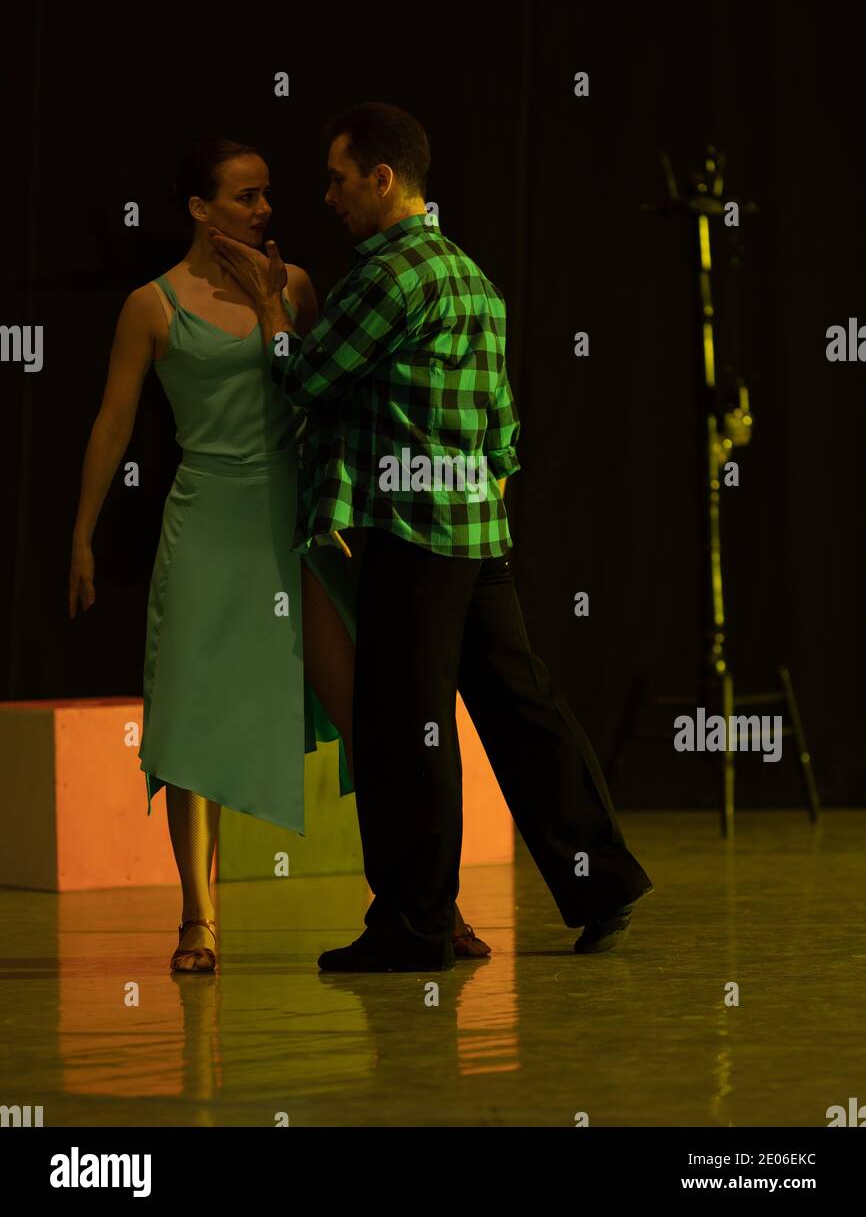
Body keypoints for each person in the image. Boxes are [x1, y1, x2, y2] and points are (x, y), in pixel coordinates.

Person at [211, 101, 654, 974]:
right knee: (523, 710)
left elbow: (307, 380)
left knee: (403, 728)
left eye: (338, 178)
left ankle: (414, 925)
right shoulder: (469, 274)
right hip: (477, 536)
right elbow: (506, 432)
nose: (327, 195)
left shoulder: (388, 275)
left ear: (383, 178)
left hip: (414, 537)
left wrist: (269, 309)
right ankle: (601, 880)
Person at [68, 138, 488, 974]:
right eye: (245, 197)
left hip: (293, 517)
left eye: (267, 197)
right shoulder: (152, 306)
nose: (266, 211)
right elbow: (113, 423)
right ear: (198, 208)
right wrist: (80, 533)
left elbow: (331, 391)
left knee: (371, 713)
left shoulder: (292, 285)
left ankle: (423, 904)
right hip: (209, 519)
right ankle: (198, 919)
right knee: (189, 716)